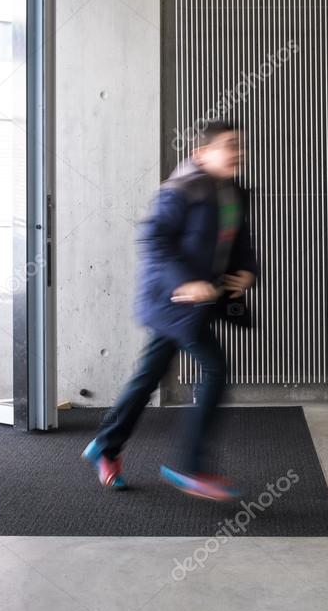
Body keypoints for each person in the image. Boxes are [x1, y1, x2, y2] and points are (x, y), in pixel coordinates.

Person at [81, 120, 258, 501]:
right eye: (228, 145)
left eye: (239, 145)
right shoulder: (181, 189)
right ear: (200, 153)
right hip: (172, 302)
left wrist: (247, 273)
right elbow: (153, 238)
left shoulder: (231, 193)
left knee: (147, 377)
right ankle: (189, 465)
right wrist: (183, 282)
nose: (237, 152)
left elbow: (238, 242)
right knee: (214, 369)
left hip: (197, 304)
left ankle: (106, 445)